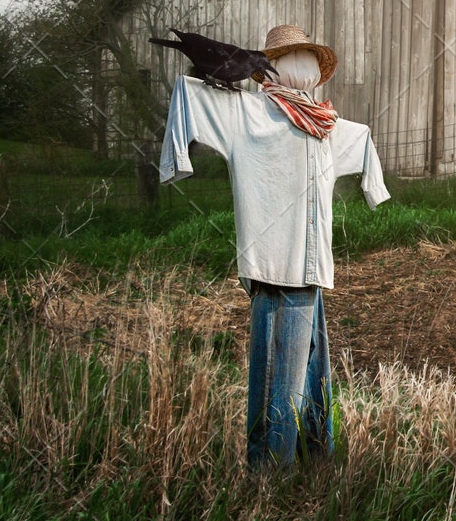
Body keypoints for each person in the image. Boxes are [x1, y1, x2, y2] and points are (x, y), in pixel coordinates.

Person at [158, 24, 390, 468]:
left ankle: (313, 460)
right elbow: (189, 94)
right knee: (278, 379)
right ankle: (270, 476)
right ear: (272, 68)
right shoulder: (245, 110)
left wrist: (373, 187)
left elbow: (362, 139)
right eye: (292, 60)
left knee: (311, 373)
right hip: (274, 264)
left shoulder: (329, 124)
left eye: (306, 61)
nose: (300, 69)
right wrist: (177, 161)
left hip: (314, 268)